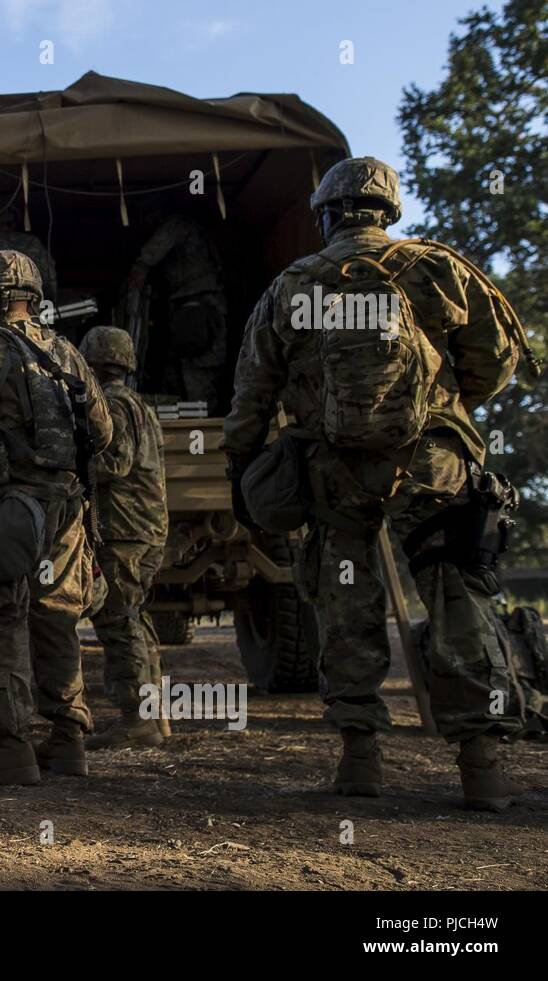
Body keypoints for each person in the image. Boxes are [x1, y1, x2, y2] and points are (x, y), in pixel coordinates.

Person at [224, 156, 528, 811]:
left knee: (344, 605)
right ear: (388, 211)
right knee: (457, 602)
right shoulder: (441, 269)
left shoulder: (293, 285)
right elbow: (499, 359)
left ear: (328, 215)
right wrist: (445, 403)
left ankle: (360, 758)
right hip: (435, 465)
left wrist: (242, 464)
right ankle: (483, 766)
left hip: (332, 471)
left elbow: (251, 394)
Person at [0, 250, 111, 785]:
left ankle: (9, 746)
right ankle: (67, 741)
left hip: (7, 510)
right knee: (57, 618)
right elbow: (101, 433)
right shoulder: (68, 353)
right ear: (33, 298)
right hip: (66, 511)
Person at [78, 326, 170, 750]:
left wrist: (65, 466)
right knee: (135, 616)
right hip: (144, 530)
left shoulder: (112, 404)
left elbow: (114, 463)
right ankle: (156, 716)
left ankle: (138, 717)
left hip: (124, 531)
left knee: (117, 619)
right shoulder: (140, 405)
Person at [128, 213, 228, 412]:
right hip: (193, 308)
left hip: (197, 309)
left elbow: (151, 254)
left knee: (197, 376)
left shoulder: (179, 224)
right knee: (178, 375)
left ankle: (201, 423)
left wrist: (141, 268)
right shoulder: (195, 231)